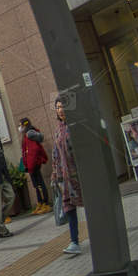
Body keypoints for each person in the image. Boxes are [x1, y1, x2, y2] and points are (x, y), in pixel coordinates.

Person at [50, 98, 84, 256]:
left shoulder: (76, 125)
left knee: (90, 204)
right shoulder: (58, 130)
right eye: (57, 108)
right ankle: (74, 241)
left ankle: (103, 232)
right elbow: (55, 154)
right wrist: (55, 174)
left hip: (80, 174)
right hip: (66, 176)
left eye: (63, 107)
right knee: (69, 208)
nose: (60, 110)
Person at [20, 117, 50, 213]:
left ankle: (45, 203)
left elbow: (33, 151)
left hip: (33, 164)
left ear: (25, 125)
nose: (19, 127)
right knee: (36, 185)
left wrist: (30, 165)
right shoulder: (27, 135)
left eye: (20, 125)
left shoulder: (29, 134)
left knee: (39, 184)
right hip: (31, 164)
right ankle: (40, 203)